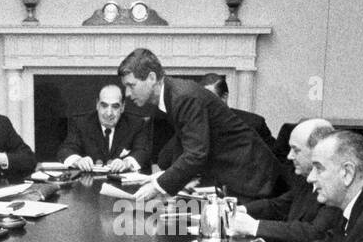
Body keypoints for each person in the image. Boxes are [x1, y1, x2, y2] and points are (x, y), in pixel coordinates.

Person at [120, 48, 282, 202]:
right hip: (241, 175)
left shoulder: (182, 97)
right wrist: (165, 178)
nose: (127, 94)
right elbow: (187, 145)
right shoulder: (173, 95)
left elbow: (196, 154)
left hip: (253, 176)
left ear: (151, 78)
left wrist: (157, 186)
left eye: (131, 85)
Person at [229, 119, 339, 242]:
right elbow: (278, 206)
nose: (289, 156)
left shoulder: (335, 186)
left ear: (318, 149)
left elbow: (314, 233)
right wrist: (239, 210)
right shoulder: (305, 179)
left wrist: (254, 226)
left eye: (296, 150)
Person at [55, 84, 149, 173]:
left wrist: (126, 163)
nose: (109, 113)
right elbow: (66, 150)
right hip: (88, 184)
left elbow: (142, 151)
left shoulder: (136, 124)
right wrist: (78, 161)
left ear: (122, 107)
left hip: (121, 184)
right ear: (97, 105)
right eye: (104, 106)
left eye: (115, 107)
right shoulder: (81, 123)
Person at [200, 73, 276, 151]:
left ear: (224, 97)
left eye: (210, 99)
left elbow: (275, 157)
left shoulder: (254, 123)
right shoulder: (194, 125)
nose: (206, 104)